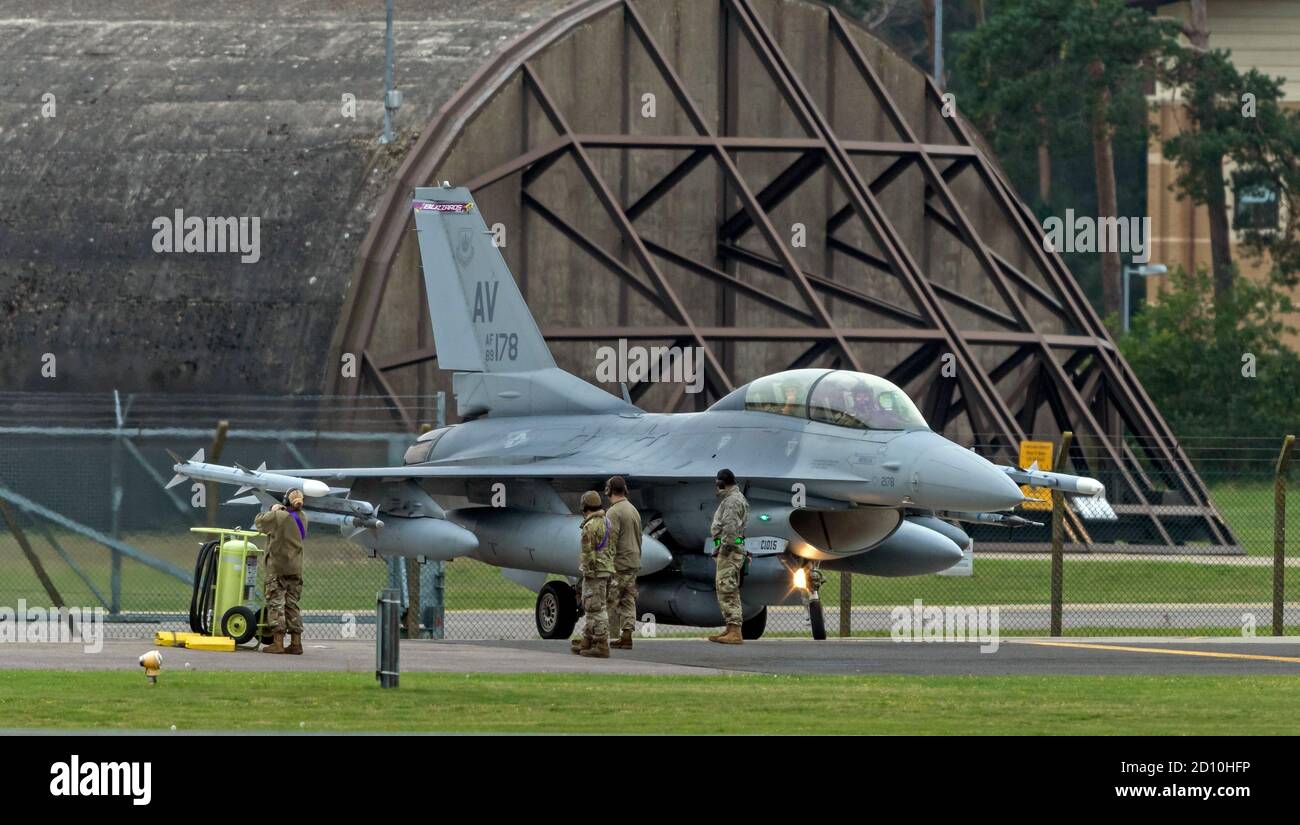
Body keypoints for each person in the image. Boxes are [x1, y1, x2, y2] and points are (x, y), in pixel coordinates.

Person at [254, 488, 308, 655]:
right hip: (295, 566)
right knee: (292, 604)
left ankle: (277, 642)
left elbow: (259, 522)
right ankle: (296, 643)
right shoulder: (303, 517)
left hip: (277, 567)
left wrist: (273, 509)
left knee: (275, 603)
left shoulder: (279, 516)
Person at [708, 468, 749, 645]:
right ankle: (731, 627)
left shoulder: (732, 502)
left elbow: (730, 531)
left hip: (729, 551)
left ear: (720, 483)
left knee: (727, 588)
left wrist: (722, 548)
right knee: (726, 587)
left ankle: (735, 630)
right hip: (731, 549)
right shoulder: (735, 499)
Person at [571, 490, 613, 658]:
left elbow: (587, 553)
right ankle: (588, 640)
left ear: (585, 507)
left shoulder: (590, 526)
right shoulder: (607, 522)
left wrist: (586, 574)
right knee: (592, 607)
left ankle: (601, 644)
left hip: (595, 572)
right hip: (606, 570)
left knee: (595, 608)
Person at [603, 475, 642, 649]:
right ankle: (627, 635)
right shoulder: (633, 509)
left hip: (620, 562)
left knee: (611, 598)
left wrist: (606, 563)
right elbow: (639, 536)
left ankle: (609, 637)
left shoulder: (613, 511)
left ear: (609, 490)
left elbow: (611, 539)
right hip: (633, 561)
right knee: (628, 599)